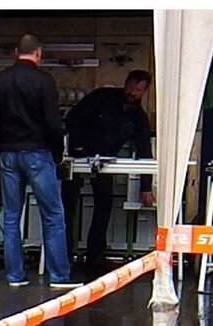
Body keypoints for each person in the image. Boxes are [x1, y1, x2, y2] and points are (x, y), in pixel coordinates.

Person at [0, 34, 75, 289]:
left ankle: (15, 276)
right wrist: (58, 153)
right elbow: (53, 123)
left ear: (16, 52)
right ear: (38, 53)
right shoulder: (44, 81)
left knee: (12, 217)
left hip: (8, 155)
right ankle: (58, 276)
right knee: (53, 215)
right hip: (38, 153)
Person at [62, 70, 155, 276]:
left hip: (104, 162)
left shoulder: (139, 117)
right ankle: (63, 257)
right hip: (77, 156)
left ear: (144, 92)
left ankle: (94, 257)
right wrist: (76, 147)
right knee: (68, 205)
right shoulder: (102, 96)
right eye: (131, 87)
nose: (133, 92)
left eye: (138, 90)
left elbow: (144, 151)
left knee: (104, 204)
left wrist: (146, 186)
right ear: (125, 83)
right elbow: (73, 117)